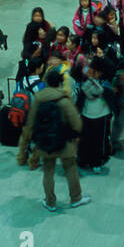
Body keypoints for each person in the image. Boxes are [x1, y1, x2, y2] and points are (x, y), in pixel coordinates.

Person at [16, 67, 91, 211]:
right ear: (60, 83)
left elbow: (30, 123)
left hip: (45, 142)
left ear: (46, 82)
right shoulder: (64, 99)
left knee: (48, 171)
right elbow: (76, 123)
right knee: (70, 168)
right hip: (65, 142)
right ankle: (76, 198)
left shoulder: (39, 98)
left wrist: (23, 148)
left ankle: (50, 202)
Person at [74, 59, 113, 173]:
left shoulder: (104, 86)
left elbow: (109, 99)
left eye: (91, 71)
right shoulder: (87, 82)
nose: (88, 72)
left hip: (100, 117)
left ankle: (96, 162)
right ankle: (84, 159)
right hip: (88, 115)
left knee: (97, 141)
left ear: (99, 72)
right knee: (85, 139)